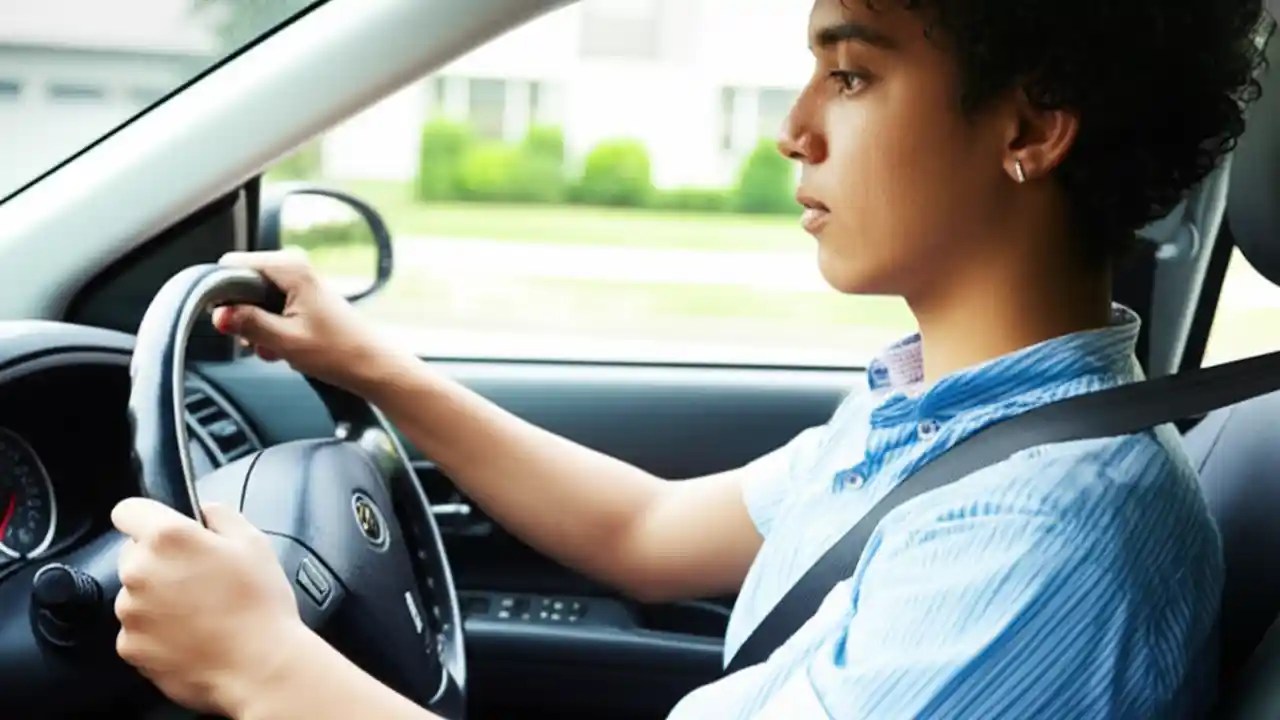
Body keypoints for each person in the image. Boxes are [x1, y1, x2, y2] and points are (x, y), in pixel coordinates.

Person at [108, 0, 1271, 717]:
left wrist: (263, 668)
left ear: (1027, 128)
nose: (793, 126)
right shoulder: (941, 419)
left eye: (852, 71)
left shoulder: (1045, 537)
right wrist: (378, 371)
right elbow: (646, 536)